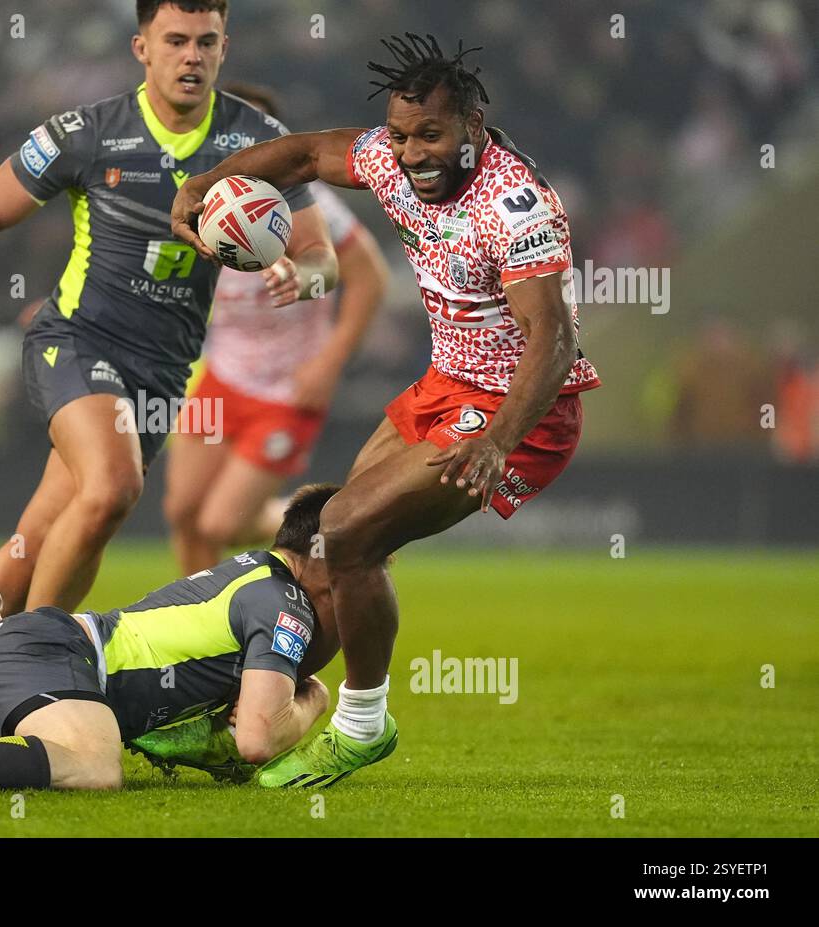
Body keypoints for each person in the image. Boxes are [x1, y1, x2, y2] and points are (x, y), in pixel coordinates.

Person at [170, 33, 601, 787]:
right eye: (401, 135)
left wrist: (499, 439)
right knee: (314, 538)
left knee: (347, 529)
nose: (411, 153)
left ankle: (363, 724)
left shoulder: (518, 204)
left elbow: (554, 340)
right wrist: (206, 180)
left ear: (472, 125)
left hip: (522, 410)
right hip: (443, 386)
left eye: (430, 134)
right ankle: (247, 715)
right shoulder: (390, 161)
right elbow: (303, 155)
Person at [0, 0, 338, 616]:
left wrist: (306, 280)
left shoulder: (258, 144)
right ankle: (32, 655)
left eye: (206, 42)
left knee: (37, 538)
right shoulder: (88, 132)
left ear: (224, 48)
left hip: (164, 373)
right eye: (176, 41)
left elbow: (326, 258)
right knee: (114, 487)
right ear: (143, 49)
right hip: (80, 341)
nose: (192, 56)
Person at [0, 484, 359, 793]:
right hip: (59, 655)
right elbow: (256, 740)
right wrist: (314, 699)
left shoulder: (250, 571)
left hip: (5, 653)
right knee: (94, 766)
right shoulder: (285, 601)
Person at [164, 82, 390, 574]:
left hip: (289, 387)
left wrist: (329, 363)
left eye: (262, 136)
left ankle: (326, 526)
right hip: (222, 375)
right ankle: (197, 628)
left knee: (220, 525)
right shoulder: (200, 199)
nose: (249, 146)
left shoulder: (309, 205)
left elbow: (367, 277)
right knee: (183, 512)